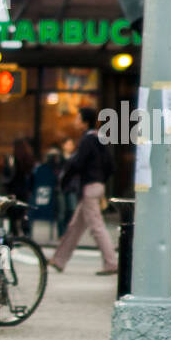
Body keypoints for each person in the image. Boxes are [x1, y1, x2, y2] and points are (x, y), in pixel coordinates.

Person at [50, 107, 118, 275]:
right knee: (75, 226)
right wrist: (102, 179)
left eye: (78, 118)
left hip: (89, 187)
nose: (76, 121)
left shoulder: (87, 140)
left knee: (96, 227)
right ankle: (59, 260)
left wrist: (65, 179)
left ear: (85, 121)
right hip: (98, 186)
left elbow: (78, 163)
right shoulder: (100, 138)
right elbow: (111, 165)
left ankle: (111, 263)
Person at [6, 138, 37, 237]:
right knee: (23, 211)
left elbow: (11, 175)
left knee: (13, 213)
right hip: (25, 190)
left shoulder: (14, 159)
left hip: (15, 189)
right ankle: (26, 231)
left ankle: (14, 232)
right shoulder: (29, 159)